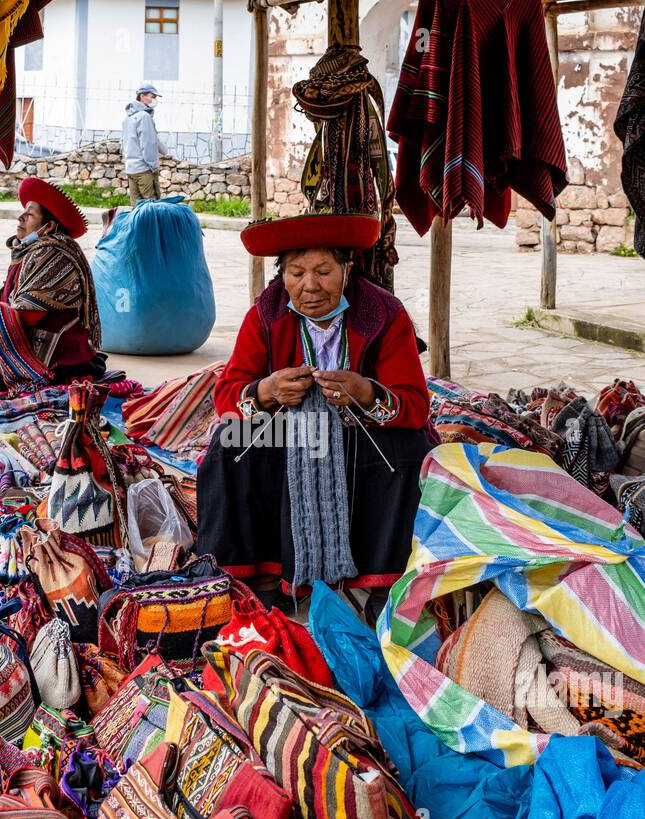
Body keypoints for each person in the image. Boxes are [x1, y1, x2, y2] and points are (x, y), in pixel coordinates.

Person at [196, 213, 434, 615]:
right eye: (296, 272)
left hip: (360, 436)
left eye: (324, 271)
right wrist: (267, 390)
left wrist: (366, 392)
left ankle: (383, 581)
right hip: (290, 435)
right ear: (282, 275)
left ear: (347, 269)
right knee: (229, 445)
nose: (310, 286)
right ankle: (263, 575)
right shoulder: (266, 316)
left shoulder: (384, 314)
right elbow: (228, 396)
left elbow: (414, 403)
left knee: (411, 451)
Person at [0, 176, 105, 384]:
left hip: (58, 361)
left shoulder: (52, 254)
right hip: (34, 351)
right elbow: (8, 302)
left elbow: (27, 314)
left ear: (49, 226)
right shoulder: (29, 252)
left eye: (30, 214)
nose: (21, 218)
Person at [121, 83, 166, 202]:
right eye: (152, 96)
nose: (154, 100)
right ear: (142, 96)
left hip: (131, 169)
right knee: (150, 207)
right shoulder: (144, 117)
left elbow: (124, 142)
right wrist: (153, 166)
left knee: (136, 207)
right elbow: (148, 144)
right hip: (144, 169)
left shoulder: (128, 118)